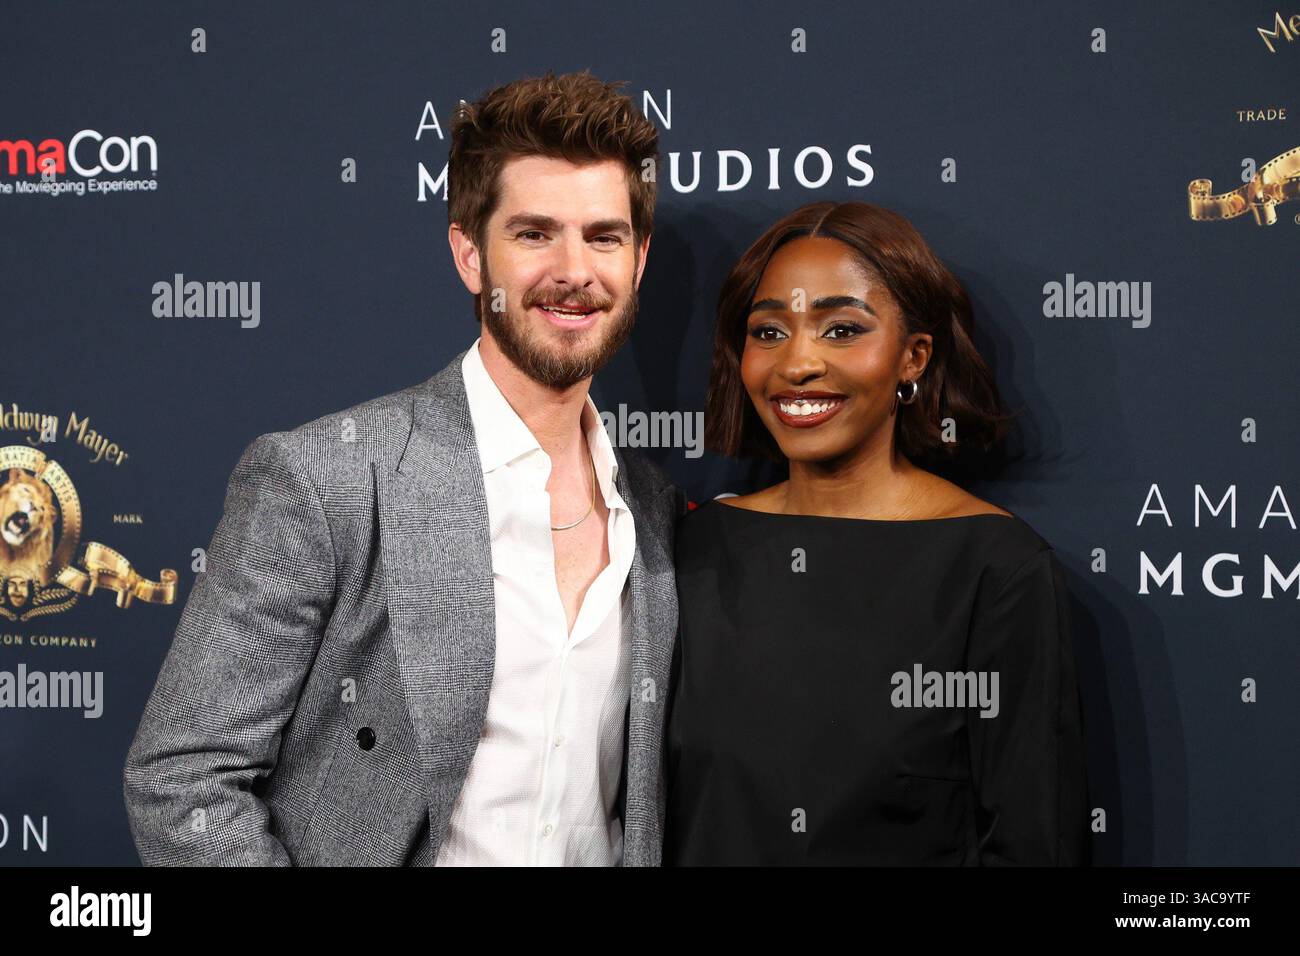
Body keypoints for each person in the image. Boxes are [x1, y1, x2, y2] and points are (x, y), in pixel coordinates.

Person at [123, 71, 685, 866]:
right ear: (468, 253)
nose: (574, 270)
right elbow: (181, 777)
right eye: (533, 234)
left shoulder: (653, 512)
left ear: (639, 259)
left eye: (604, 236)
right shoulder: (326, 480)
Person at [664, 201, 1089, 865]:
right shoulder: (692, 546)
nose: (797, 364)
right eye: (769, 332)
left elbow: (1033, 844)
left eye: (841, 329)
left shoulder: (994, 569)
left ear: (914, 356)